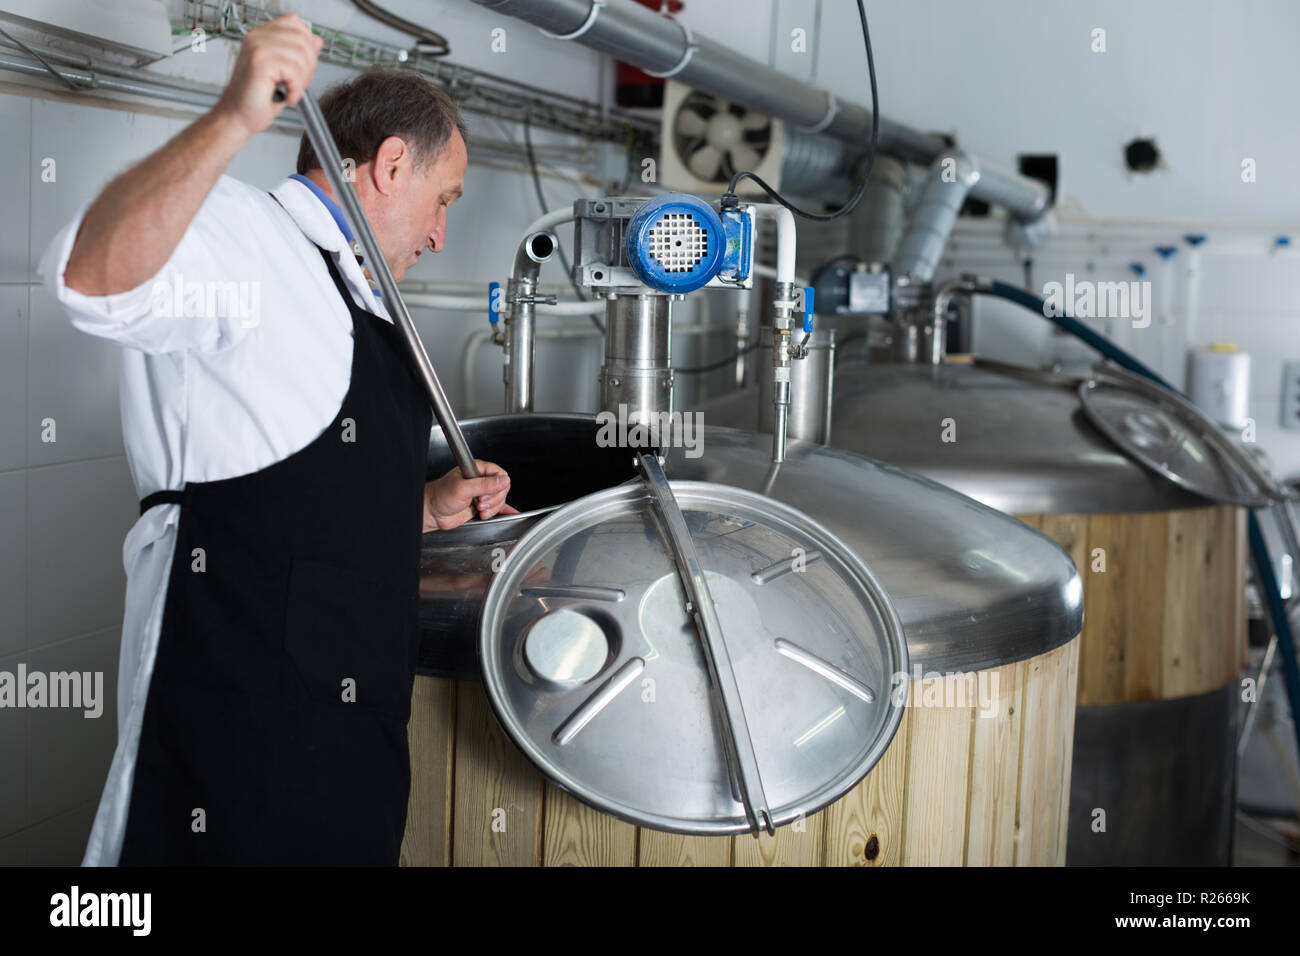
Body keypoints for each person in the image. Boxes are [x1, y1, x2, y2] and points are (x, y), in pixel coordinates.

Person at [41, 13, 514, 865]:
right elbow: (91, 278)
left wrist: (424, 511)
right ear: (392, 164)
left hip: (349, 775)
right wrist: (231, 118)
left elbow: (300, 509)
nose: (442, 234)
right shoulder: (247, 238)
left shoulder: (360, 300)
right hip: (226, 767)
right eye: (444, 200)